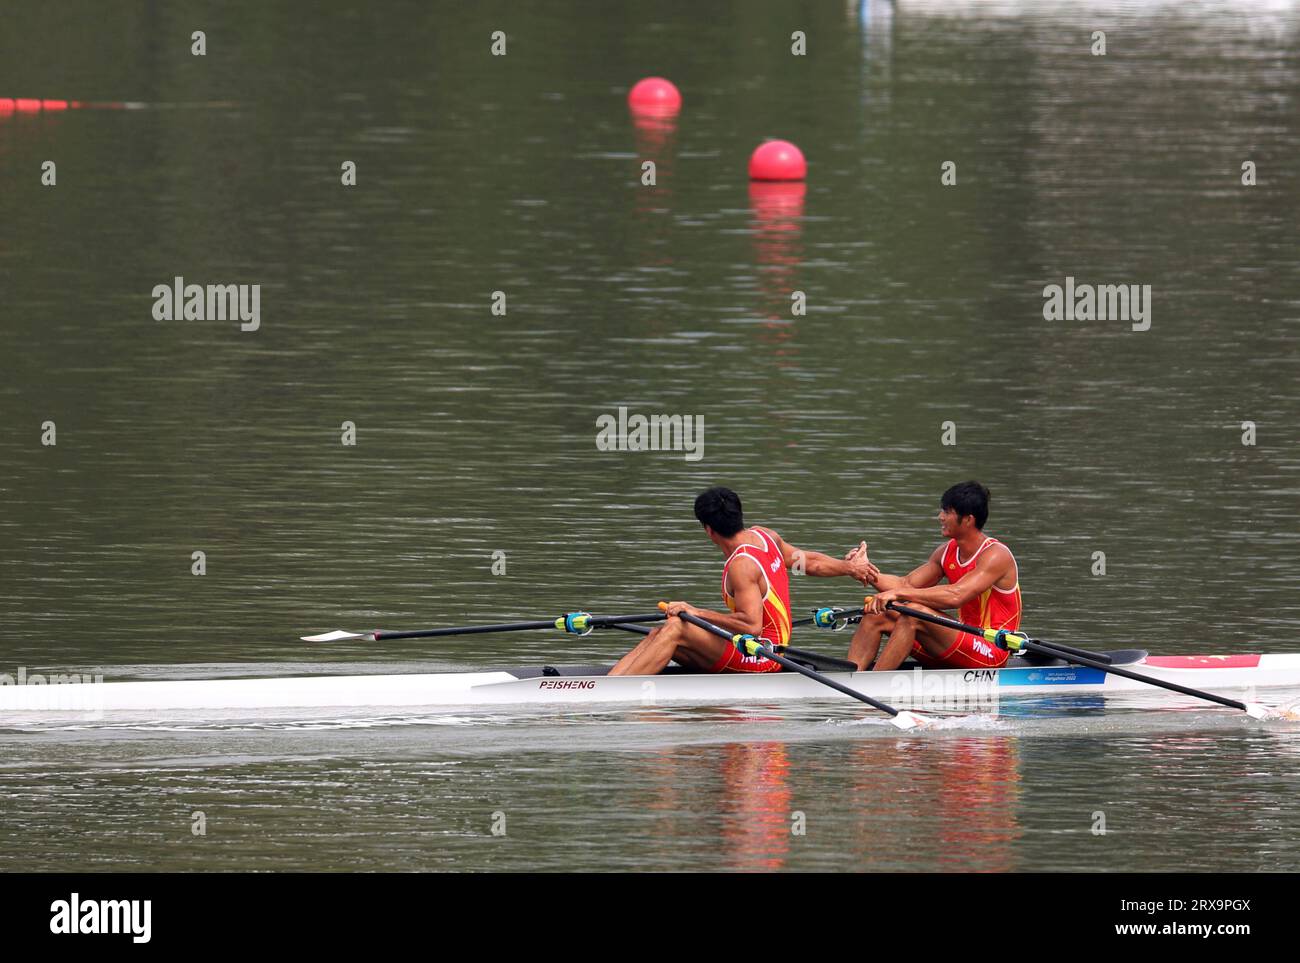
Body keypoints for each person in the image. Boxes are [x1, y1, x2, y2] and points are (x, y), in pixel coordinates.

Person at [608, 486, 878, 676]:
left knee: (676, 628)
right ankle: (607, 685)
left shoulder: (742, 565)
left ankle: (609, 694)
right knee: (663, 632)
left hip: (763, 655)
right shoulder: (765, 536)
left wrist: (696, 611)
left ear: (709, 530)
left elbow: (752, 626)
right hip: (757, 647)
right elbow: (809, 562)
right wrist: (849, 567)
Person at [845, 481, 1021, 671]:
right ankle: (852, 677)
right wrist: (864, 571)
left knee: (914, 613)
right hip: (960, 643)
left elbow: (956, 595)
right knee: (875, 614)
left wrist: (897, 594)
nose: (940, 517)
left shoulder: (996, 555)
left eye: (947, 512)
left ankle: (873, 686)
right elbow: (906, 584)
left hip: (991, 649)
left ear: (968, 520)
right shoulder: (945, 552)